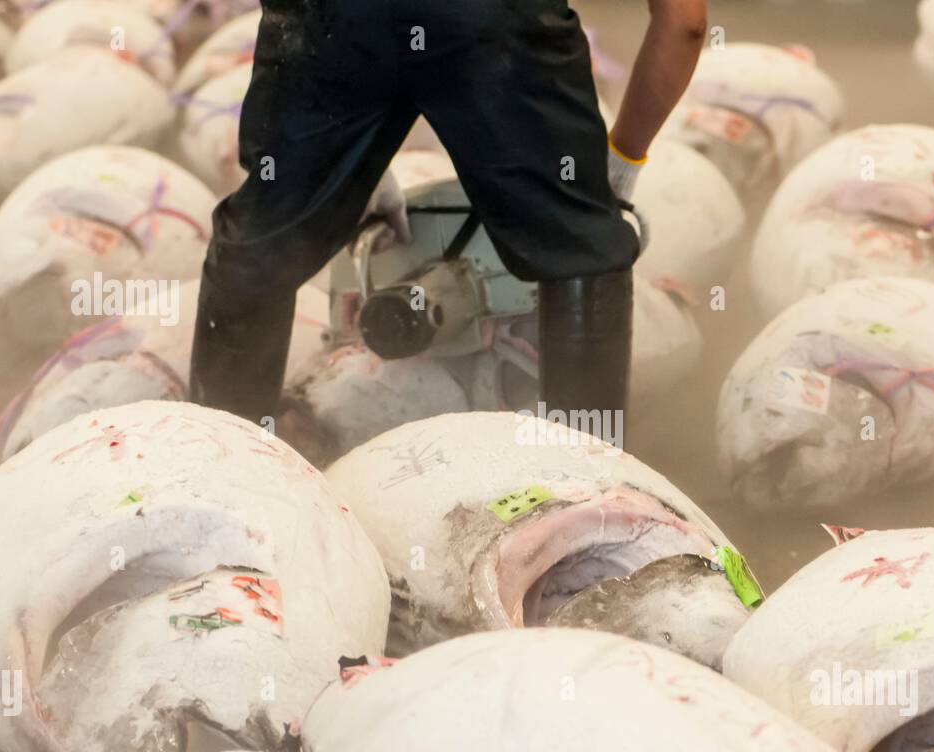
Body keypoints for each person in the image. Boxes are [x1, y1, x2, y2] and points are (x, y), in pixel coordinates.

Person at [189, 0, 708, 435]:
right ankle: (588, 480)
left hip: (331, 20)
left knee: (262, 245)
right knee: (583, 253)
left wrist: (340, 153)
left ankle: (221, 456)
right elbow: (684, 22)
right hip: (495, 22)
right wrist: (622, 159)